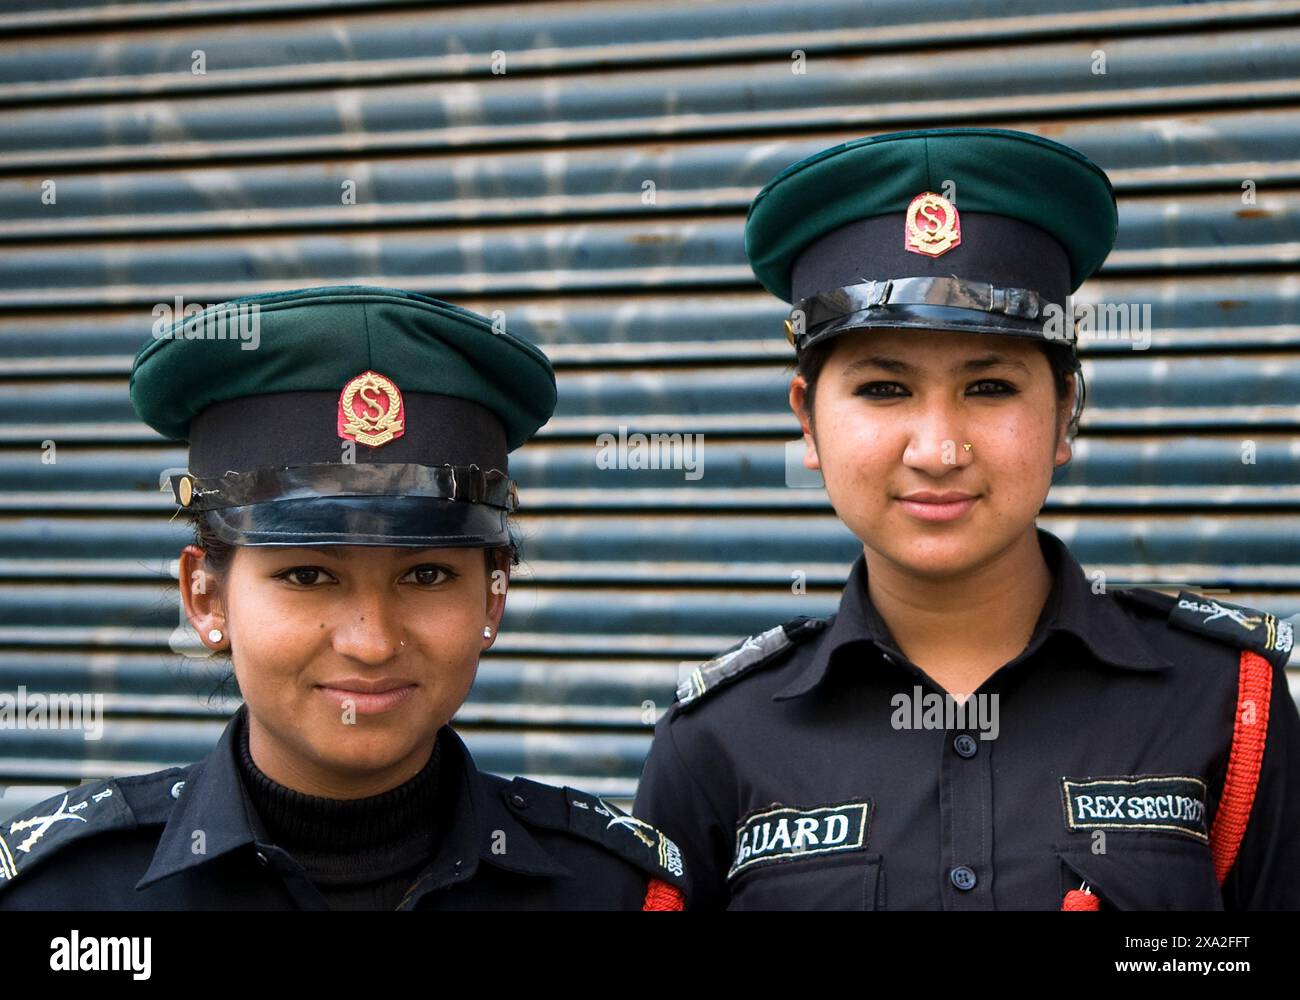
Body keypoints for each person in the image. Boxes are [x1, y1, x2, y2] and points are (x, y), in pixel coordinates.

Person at [633, 128, 1300, 910]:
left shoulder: (1227, 704)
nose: (939, 449)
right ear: (807, 421)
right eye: (884, 390)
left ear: (1064, 417)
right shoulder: (714, 741)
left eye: (990, 388)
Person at [0, 285, 686, 910]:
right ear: (204, 598)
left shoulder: (614, 893)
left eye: (427, 575)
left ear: (493, 598)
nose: (371, 641)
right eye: (307, 576)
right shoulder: (64, 899)